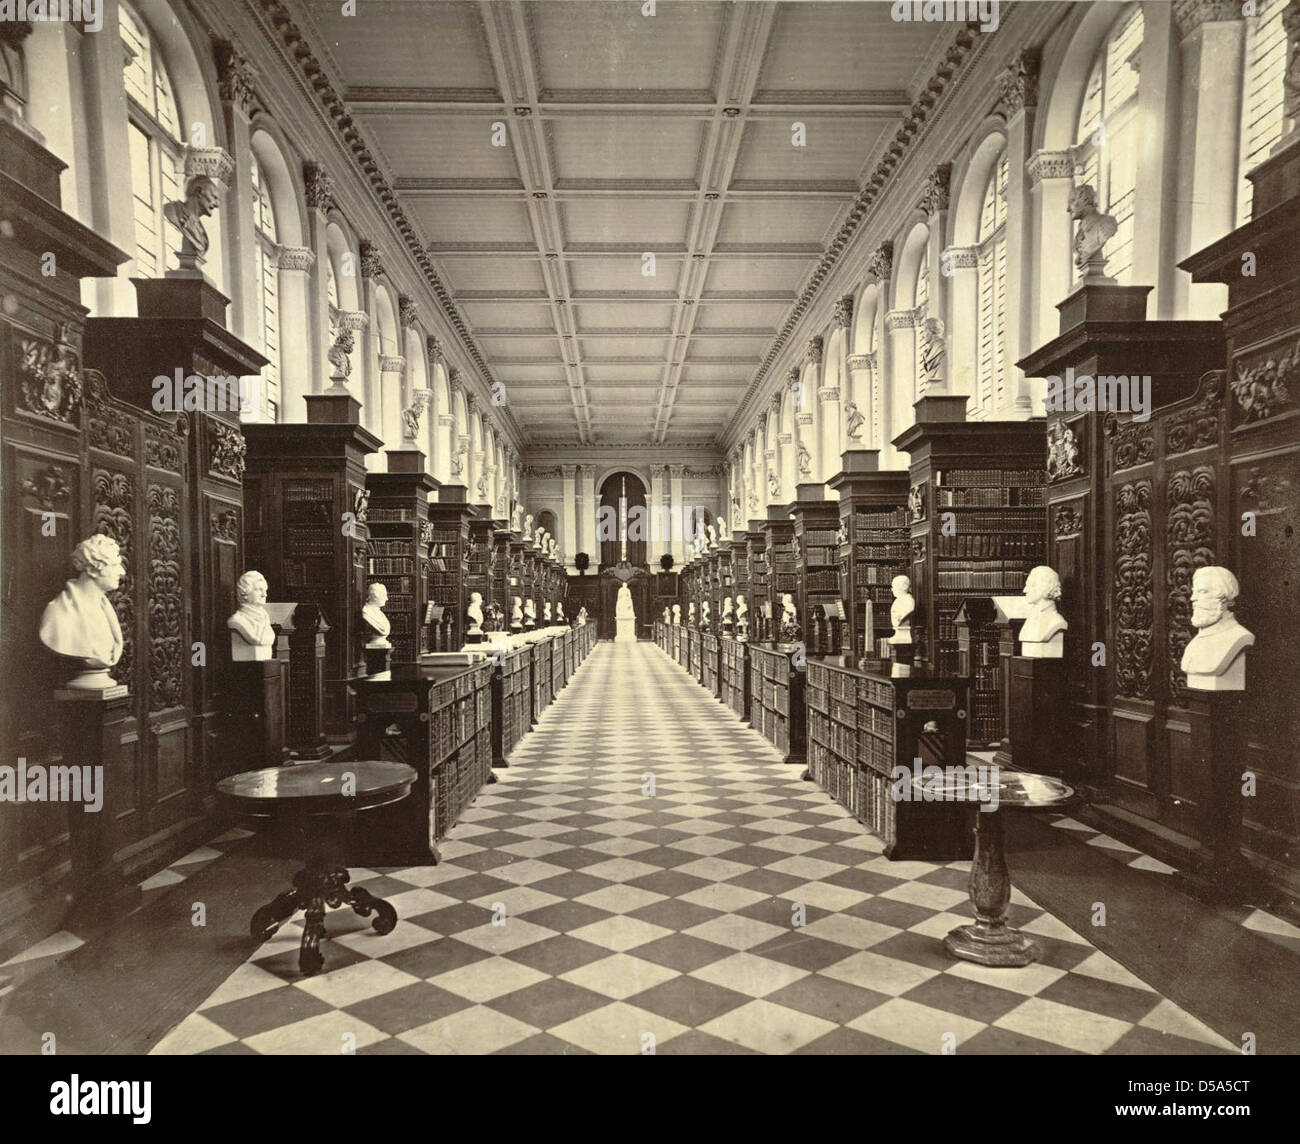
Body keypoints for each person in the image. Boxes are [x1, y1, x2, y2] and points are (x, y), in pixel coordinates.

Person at [39, 533, 126, 689]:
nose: (122, 572)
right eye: (114, 565)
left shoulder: (106, 609)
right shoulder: (58, 613)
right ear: (92, 570)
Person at [1180, 566, 1255, 690]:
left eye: (1203, 591)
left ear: (1226, 598)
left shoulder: (1240, 636)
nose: (1193, 598)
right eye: (1194, 591)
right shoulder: (1196, 642)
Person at [228, 570, 275, 661]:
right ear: (244, 593)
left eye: (265, 590)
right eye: (259, 590)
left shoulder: (265, 617)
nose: (264, 595)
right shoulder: (237, 621)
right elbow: (255, 639)